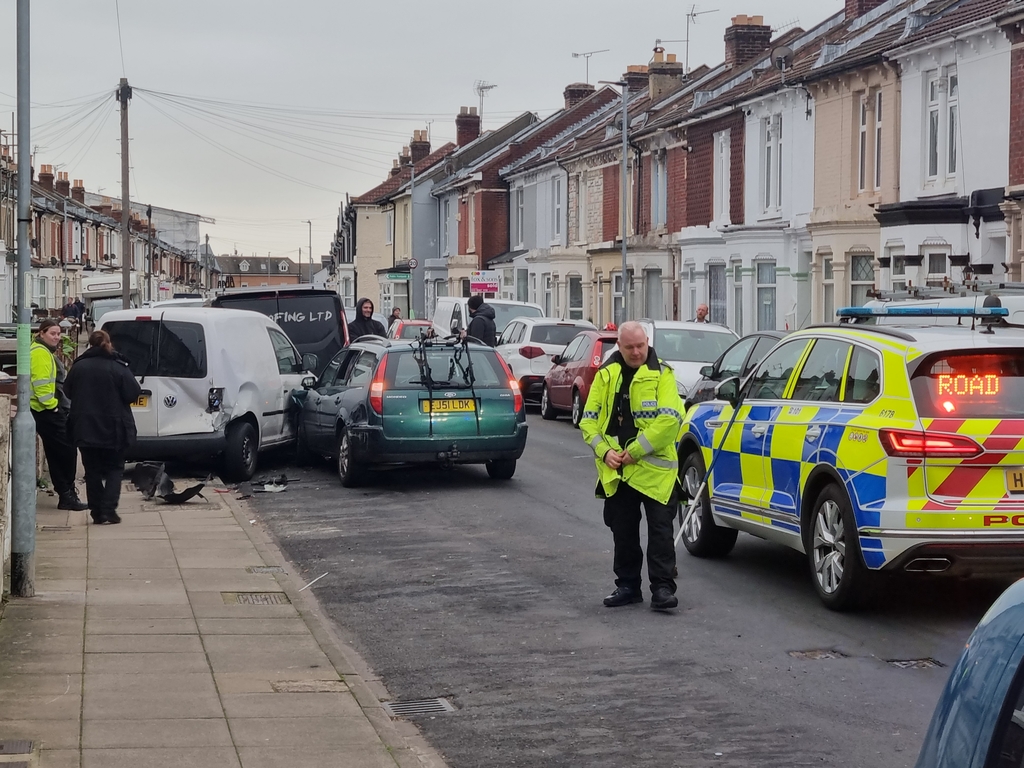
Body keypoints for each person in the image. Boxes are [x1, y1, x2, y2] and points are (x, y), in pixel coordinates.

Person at [580, 321, 684, 611]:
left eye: (641, 345)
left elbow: (669, 421)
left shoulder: (662, 374)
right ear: (620, 346)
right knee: (623, 532)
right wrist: (604, 452)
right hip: (619, 471)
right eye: (630, 347)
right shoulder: (607, 375)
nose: (637, 352)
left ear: (647, 342)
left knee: (660, 533)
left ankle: (662, 589)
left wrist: (635, 451)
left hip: (654, 472)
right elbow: (588, 420)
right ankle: (627, 586)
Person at [64, 330, 141, 525]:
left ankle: (97, 512)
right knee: (115, 469)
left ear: (90, 343)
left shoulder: (79, 366)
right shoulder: (118, 367)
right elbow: (133, 393)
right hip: (113, 427)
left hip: (85, 427)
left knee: (92, 471)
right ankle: (109, 508)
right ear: (109, 343)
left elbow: (68, 391)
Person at [30, 319, 88, 511]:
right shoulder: (39, 353)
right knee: (65, 452)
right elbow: (41, 384)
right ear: (41, 333)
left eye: (58, 334)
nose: (56, 337)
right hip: (47, 411)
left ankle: (67, 494)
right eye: (52, 333)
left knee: (60, 453)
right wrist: (53, 406)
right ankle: (67, 495)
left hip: (48, 411)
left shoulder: (43, 351)